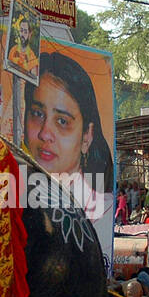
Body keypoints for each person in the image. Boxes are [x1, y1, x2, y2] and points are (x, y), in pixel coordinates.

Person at [22, 50, 114, 221]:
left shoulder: (101, 212)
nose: (45, 134)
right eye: (37, 113)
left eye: (62, 121)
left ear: (87, 136)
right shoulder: (18, 197)